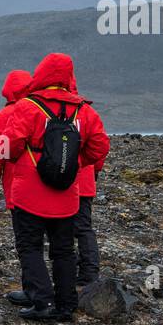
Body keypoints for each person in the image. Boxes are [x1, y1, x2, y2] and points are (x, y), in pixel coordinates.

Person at [0, 52, 110, 321]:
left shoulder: (27, 106)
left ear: (42, 74)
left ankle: (42, 301)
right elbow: (100, 147)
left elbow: (8, 145)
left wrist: (20, 159)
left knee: (30, 247)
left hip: (29, 193)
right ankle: (66, 304)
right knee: (63, 250)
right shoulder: (85, 111)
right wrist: (76, 162)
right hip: (67, 195)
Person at [0, 70, 33, 305]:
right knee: (61, 246)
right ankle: (64, 292)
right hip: (56, 188)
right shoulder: (43, 110)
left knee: (27, 242)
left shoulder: (4, 116)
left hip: (19, 188)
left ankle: (34, 290)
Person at [70, 75, 103, 285]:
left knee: (62, 229)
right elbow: (100, 147)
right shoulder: (87, 112)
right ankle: (90, 272)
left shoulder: (47, 109)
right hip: (85, 181)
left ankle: (70, 271)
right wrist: (90, 168)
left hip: (61, 182)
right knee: (84, 227)